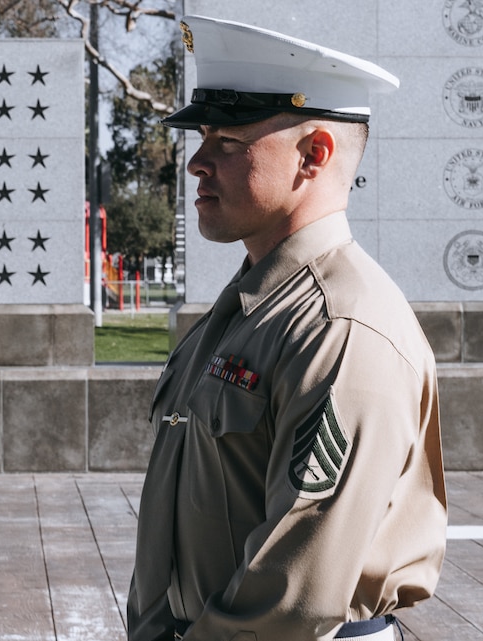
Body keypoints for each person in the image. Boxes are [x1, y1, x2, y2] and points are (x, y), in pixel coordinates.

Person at [128, 15, 447, 641]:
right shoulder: (256, 302)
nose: (196, 162)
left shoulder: (340, 326)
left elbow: (294, 592)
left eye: (228, 141)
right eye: (203, 137)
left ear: (314, 154)